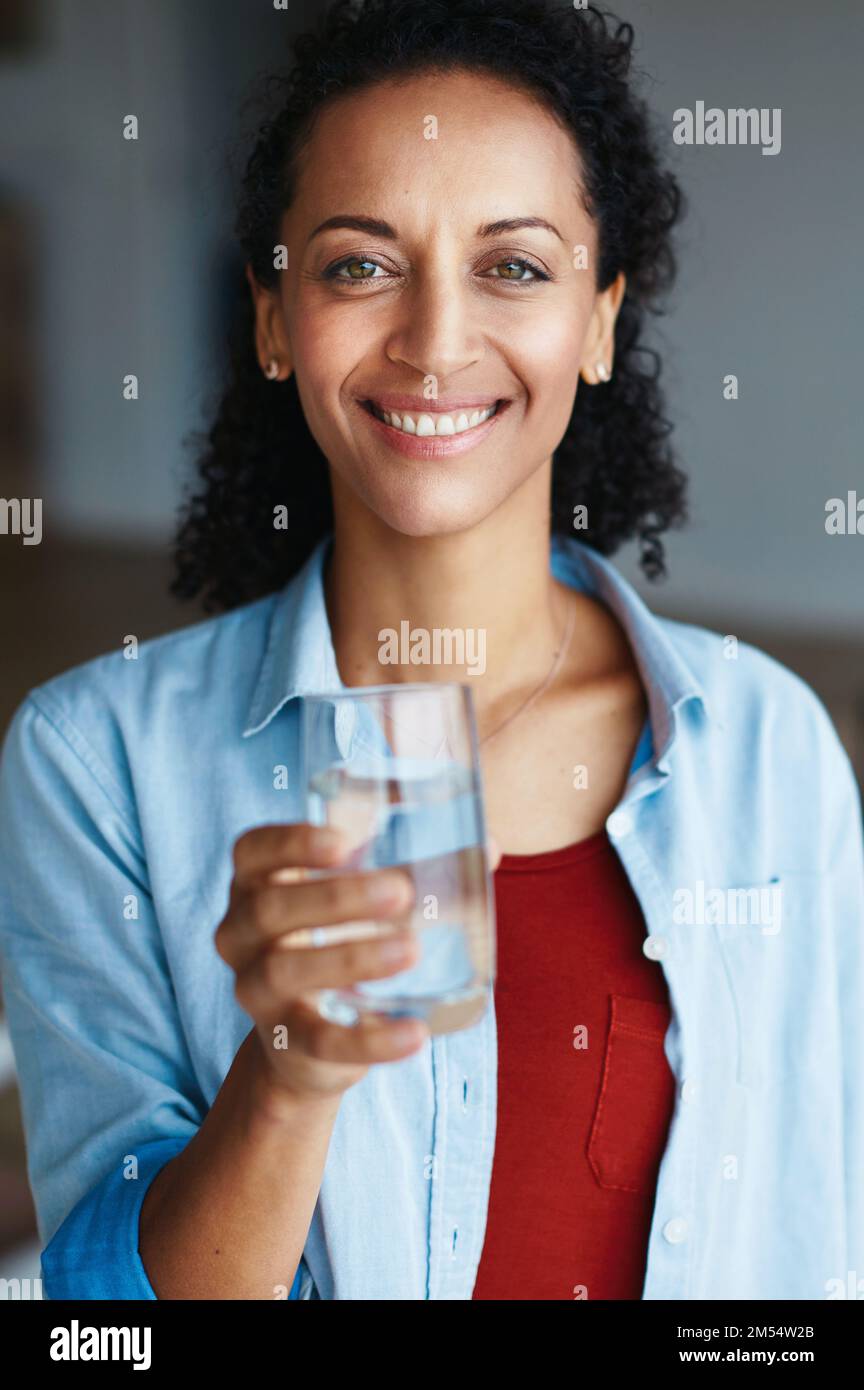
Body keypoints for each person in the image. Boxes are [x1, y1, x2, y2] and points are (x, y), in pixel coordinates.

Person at [0, 0, 861, 1301]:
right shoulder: (93, 764)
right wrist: (287, 1071)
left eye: (514, 266)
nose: (436, 339)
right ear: (275, 317)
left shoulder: (769, 745)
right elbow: (102, 1336)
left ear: (601, 319)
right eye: (359, 264)